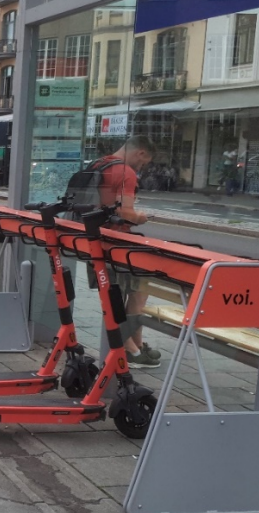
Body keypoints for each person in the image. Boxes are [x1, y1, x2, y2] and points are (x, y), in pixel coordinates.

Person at [95, 135, 158, 368]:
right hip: (116, 244)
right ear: (140, 153)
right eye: (143, 163)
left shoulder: (99, 164)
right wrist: (140, 218)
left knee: (122, 294)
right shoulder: (126, 172)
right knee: (139, 289)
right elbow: (125, 211)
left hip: (95, 241)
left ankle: (136, 343)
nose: (141, 167)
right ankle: (130, 347)